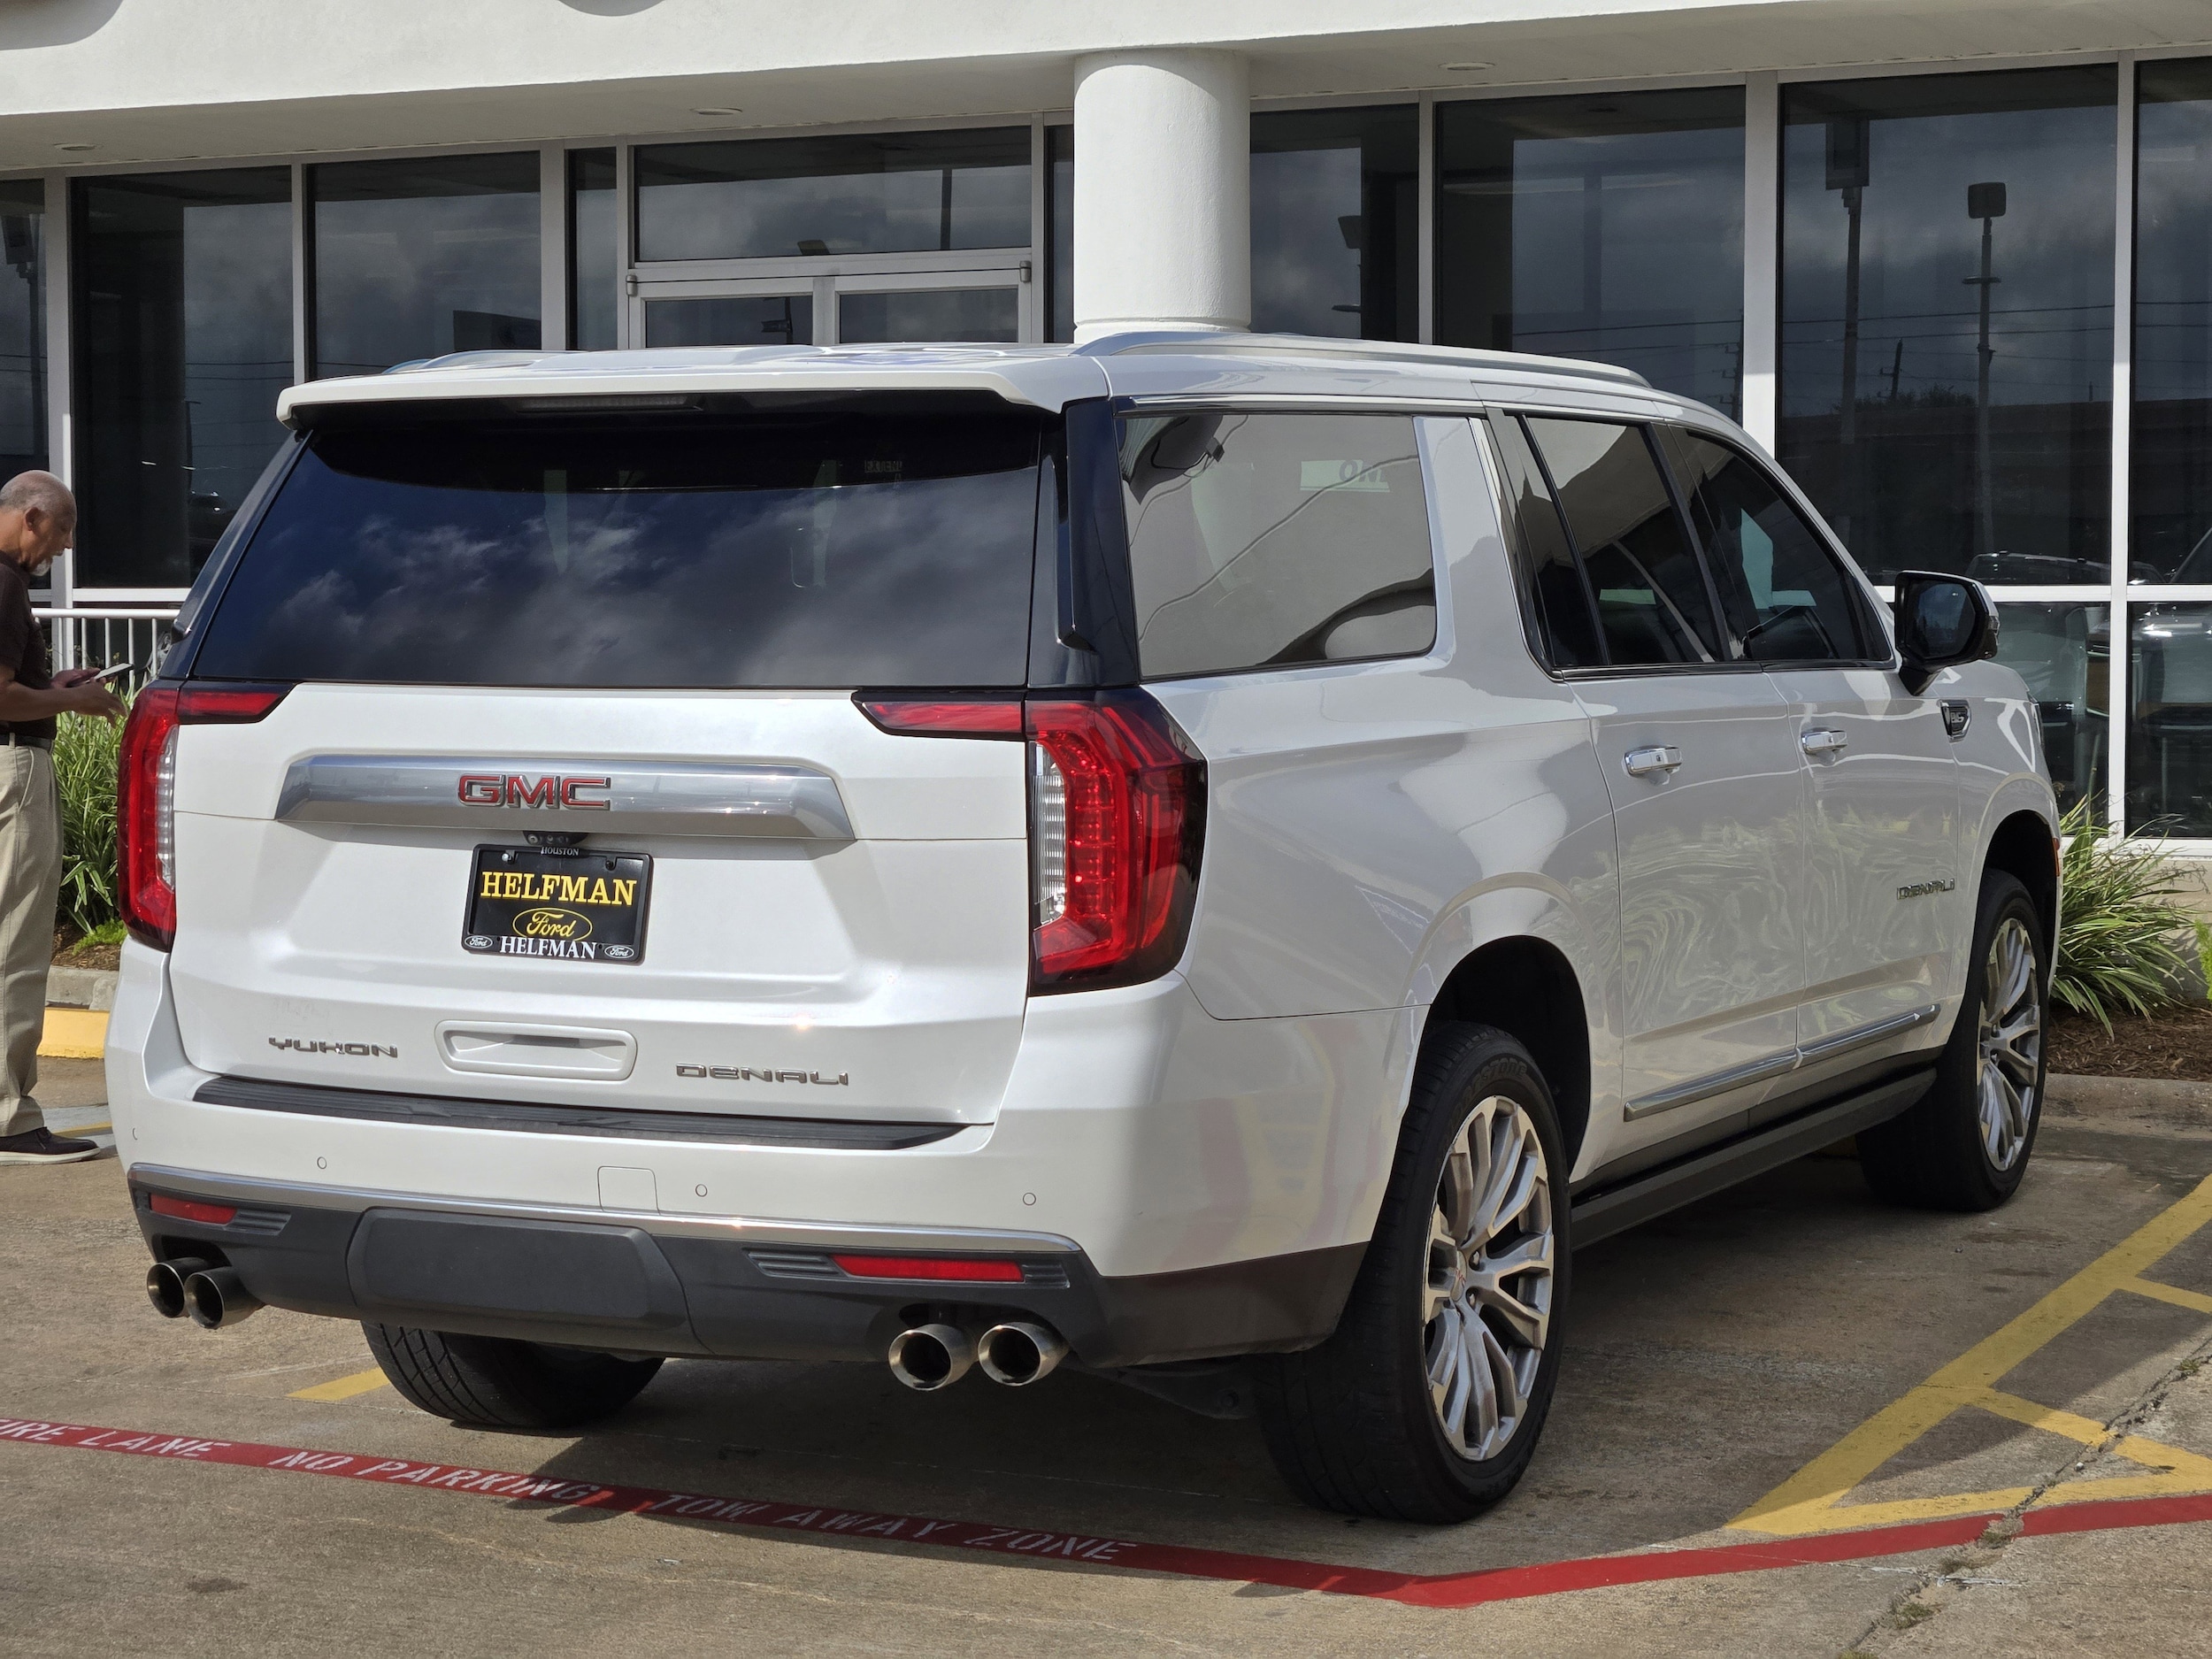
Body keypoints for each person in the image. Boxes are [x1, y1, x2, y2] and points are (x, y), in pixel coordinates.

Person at [0, 472, 126, 1165]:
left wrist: (54, 687)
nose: (66, 544)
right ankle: (9, 1117)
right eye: (64, 529)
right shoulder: (6, 583)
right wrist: (73, 703)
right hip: (13, 771)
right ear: (32, 517)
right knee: (16, 946)